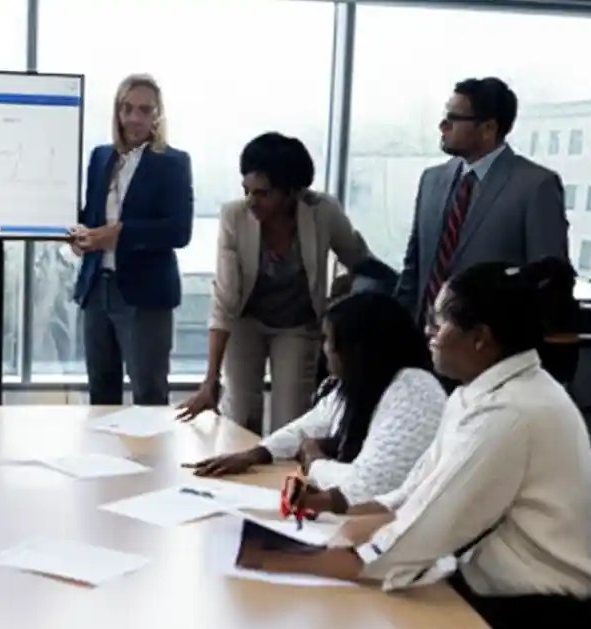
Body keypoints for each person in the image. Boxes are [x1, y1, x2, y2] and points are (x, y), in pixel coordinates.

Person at [253, 260, 591, 629]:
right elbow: (412, 496)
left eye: (440, 321)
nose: (428, 331)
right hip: (495, 592)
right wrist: (330, 509)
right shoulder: (477, 394)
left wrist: (278, 560)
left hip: (539, 624)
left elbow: (421, 534)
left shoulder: (511, 413)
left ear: (480, 338)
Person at [176, 133, 371, 433]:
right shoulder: (234, 216)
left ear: (291, 191)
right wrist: (210, 379)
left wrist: (343, 296)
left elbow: (360, 259)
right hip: (246, 322)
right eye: (247, 191)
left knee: (290, 421)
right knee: (239, 416)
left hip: (297, 325)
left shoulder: (323, 212)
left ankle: (280, 479)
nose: (252, 201)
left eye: (263, 193)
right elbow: (225, 301)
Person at [183, 292, 445, 511]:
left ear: (357, 349)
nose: (325, 350)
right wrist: (254, 455)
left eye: (329, 341)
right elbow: (309, 426)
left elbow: (366, 489)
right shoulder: (370, 382)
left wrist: (314, 461)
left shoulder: (415, 390)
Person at [394, 77, 570, 326]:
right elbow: (414, 268)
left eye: (454, 118)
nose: (443, 125)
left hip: (489, 347)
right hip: (424, 342)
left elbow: (549, 280)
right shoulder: (432, 180)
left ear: (488, 128)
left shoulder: (535, 186)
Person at [69, 74, 194, 406]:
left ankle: (149, 460)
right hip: (97, 289)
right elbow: (91, 215)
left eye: (144, 110)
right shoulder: (100, 157)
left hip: (145, 294)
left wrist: (120, 233)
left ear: (157, 115)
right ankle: (102, 459)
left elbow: (179, 231)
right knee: (101, 392)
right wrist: (81, 235)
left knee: (149, 393)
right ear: (117, 112)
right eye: (127, 109)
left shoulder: (173, 162)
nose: (134, 118)